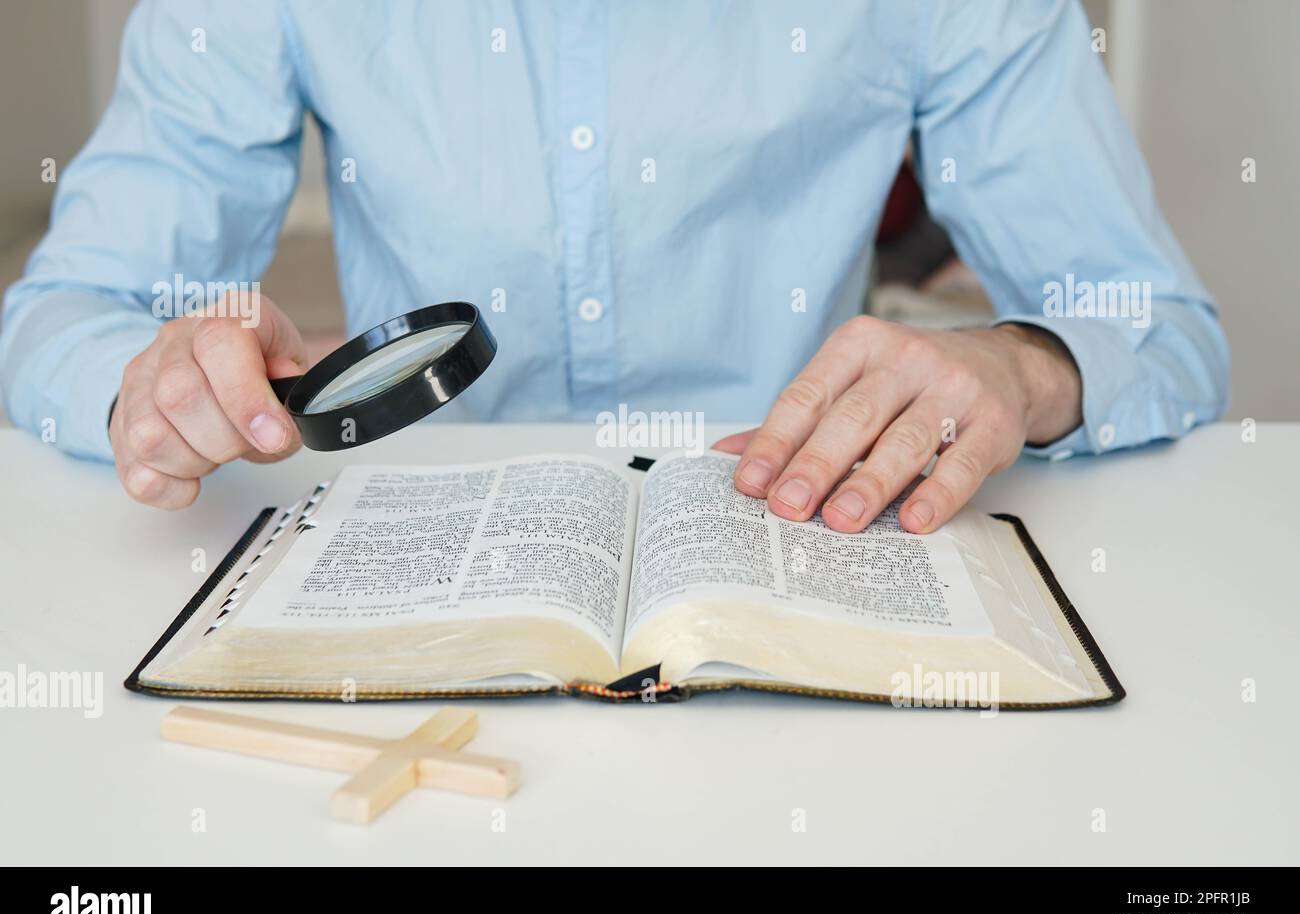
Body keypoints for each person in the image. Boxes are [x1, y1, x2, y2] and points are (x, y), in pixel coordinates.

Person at [0, 0, 1228, 534]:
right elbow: (64, 308)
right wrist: (151, 386)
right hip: (403, 558)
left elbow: (1157, 324)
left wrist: (1023, 367)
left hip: (802, 544)